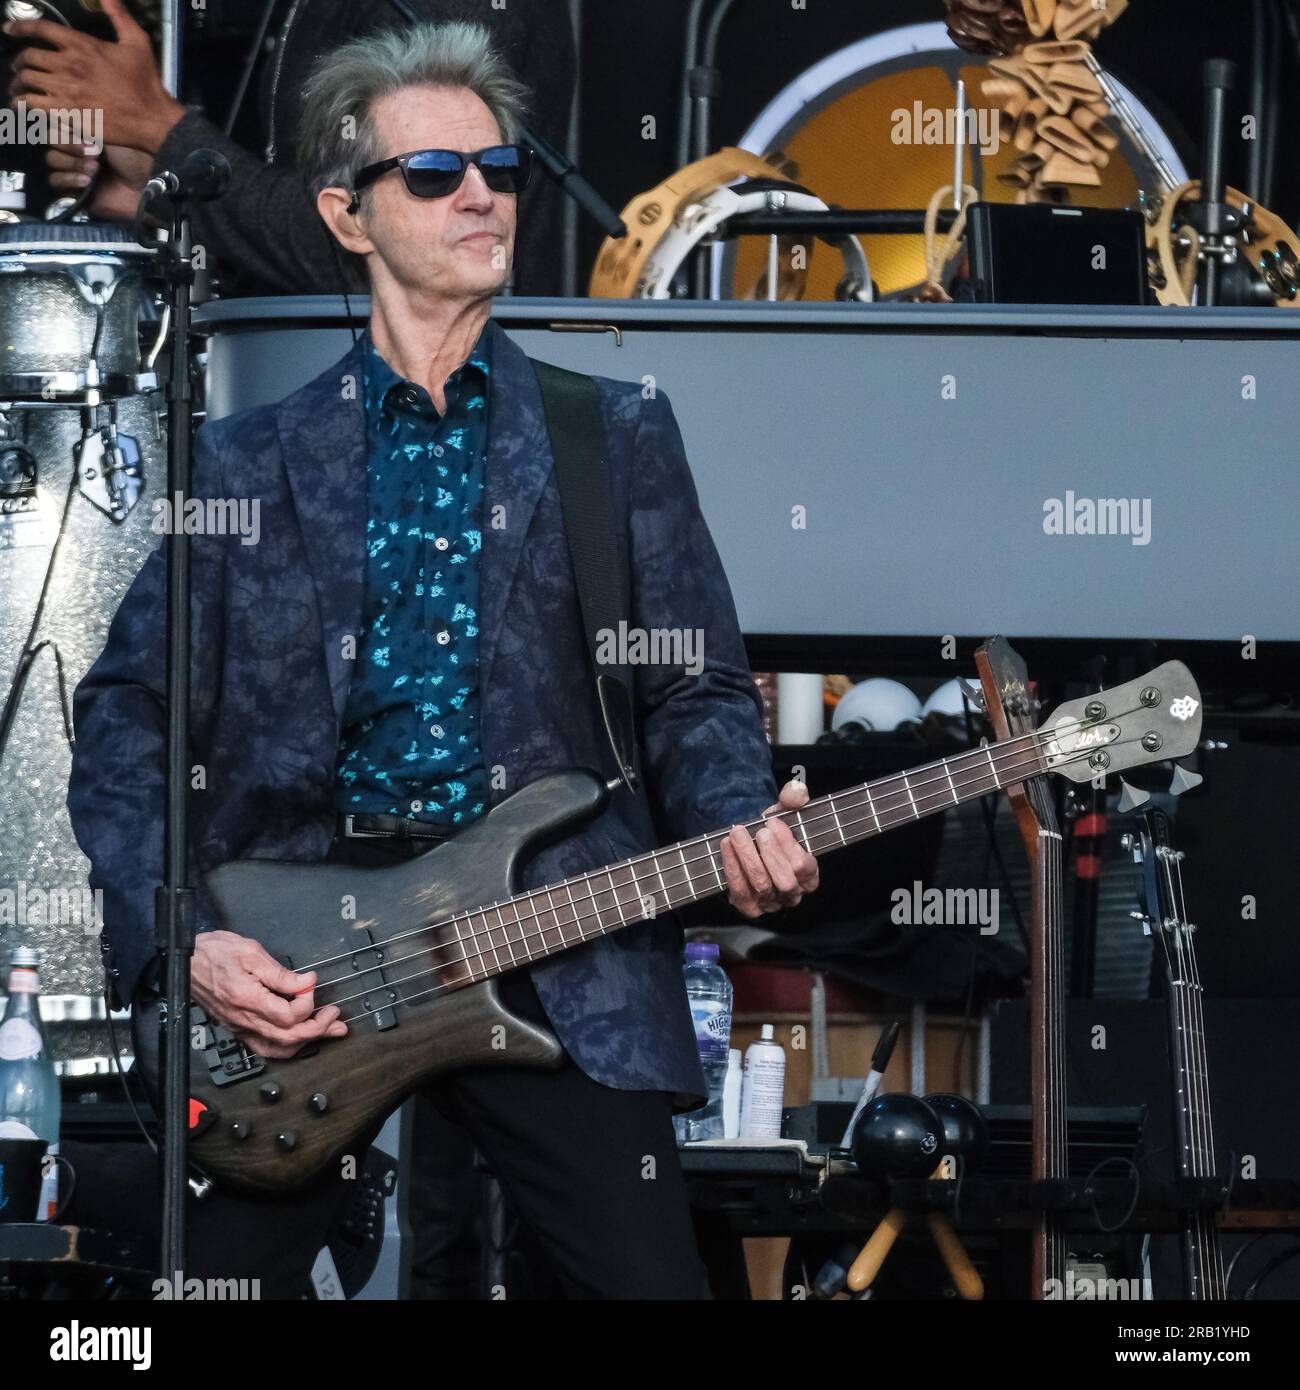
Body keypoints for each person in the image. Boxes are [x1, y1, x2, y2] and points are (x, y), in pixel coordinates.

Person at [66, 19, 819, 1300]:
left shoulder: (612, 433)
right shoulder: (247, 463)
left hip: (555, 942)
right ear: (346, 217)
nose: (480, 193)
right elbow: (128, 713)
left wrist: (739, 820)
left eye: (499, 167)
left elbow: (688, 682)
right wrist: (180, 934)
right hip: (306, 966)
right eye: (433, 173)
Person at [5, 0, 576, 295]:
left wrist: (160, 126)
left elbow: (384, 250)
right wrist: (156, 184)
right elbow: (312, 204)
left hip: (429, 432)